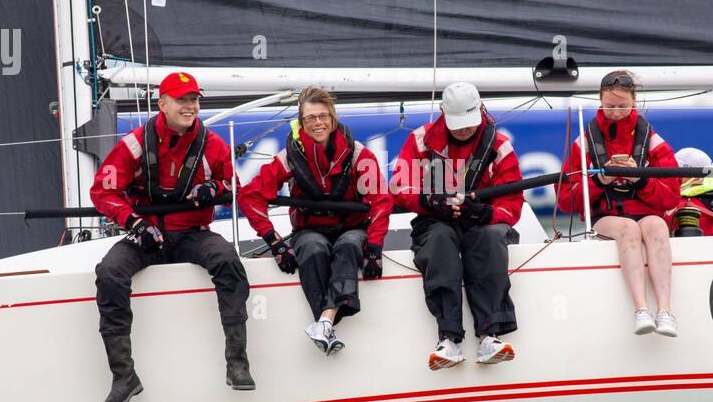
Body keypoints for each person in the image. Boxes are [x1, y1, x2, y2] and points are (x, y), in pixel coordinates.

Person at [90, 71, 253, 402]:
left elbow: (233, 186)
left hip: (192, 235)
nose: (190, 106)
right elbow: (103, 191)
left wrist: (216, 190)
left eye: (194, 99)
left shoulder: (213, 145)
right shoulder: (134, 144)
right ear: (162, 104)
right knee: (109, 273)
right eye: (182, 100)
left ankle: (237, 362)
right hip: (146, 234)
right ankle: (124, 375)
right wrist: (134, 223)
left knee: (228, 261)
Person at [240, 86, 393, 355]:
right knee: (312, 249)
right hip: (310, 230)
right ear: (301, 123)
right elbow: (250, 196)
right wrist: (274, 242)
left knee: (348, 246)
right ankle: (326, 323)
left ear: (333, 118)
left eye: (323, 116)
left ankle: (324, 321)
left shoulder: (359, 155)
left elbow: (381, 199)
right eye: (310, 118)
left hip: (351, 228)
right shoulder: (289, 158)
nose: (318, 123)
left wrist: (375, 249)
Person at [390, 81, 524, 369]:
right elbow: (400, 185)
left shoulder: (499, 146)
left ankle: (490, 334)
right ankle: (448, 337)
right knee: (439, 240)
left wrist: (487, 214)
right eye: (458, 124)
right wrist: (429, 202)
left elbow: (512, 202)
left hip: (480, 221)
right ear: (443, 113)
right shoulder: (419, 140)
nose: (464, 130)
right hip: (435, 220)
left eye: (469, 124)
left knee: (490, 238)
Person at [556, 70, 681, 336]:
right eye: (610, 106)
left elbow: (672, 195)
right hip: (608, 217)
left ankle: (665, 311)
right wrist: (600, 181)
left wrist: (641, 180)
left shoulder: (653, 142)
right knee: (628, 230)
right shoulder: (585, 141)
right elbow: (566, 200)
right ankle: (640, 309)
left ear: (634, 102)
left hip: (646, 213)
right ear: (600, 101)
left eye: (622, 106)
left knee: (658, 227)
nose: (615, 112)